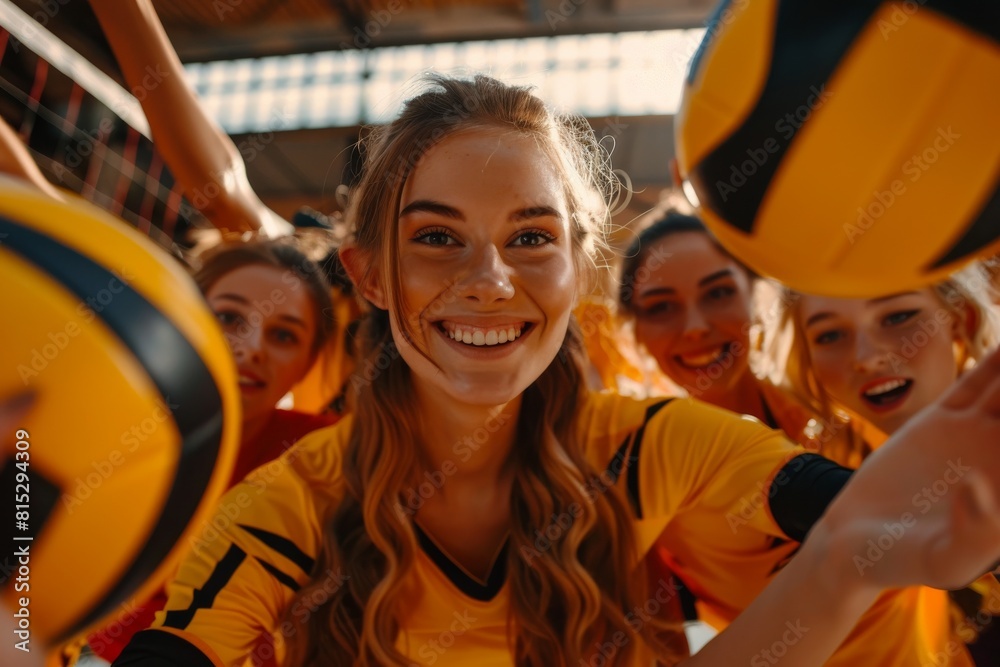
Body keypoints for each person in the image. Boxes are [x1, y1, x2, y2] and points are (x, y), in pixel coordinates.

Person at [112, 75, 1000, 667]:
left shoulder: (656, 443)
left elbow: (848, 513)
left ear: (579, 269)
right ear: (369, 276)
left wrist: (864, 548)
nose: (490, 281)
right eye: (436, 238)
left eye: (531, 238)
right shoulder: (291, 500)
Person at [616, 211, 977, 663]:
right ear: (634, 331)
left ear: (755, 298)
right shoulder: (641, 477)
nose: (694, 325)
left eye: (719, 293)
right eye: (661, 306)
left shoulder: (842, 406)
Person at [85, 239, 339, 664]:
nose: (252, 347)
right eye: (228, 318)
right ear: (182, 320)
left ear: (307, 364)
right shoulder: (96, 429)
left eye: (283, 334)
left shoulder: (329, 454)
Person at [770, 271, 1000, 664]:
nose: (867, 357)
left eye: (898, 317)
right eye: (829, 335)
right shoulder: (822, 475)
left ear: (961, 319)